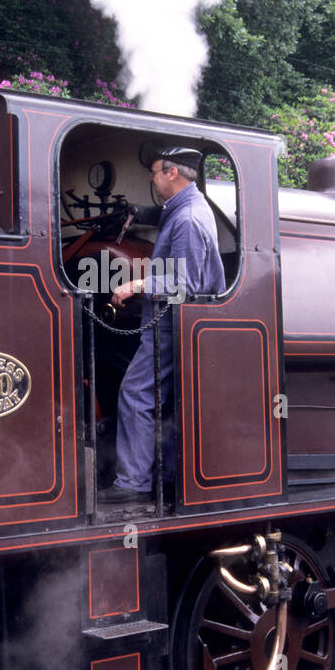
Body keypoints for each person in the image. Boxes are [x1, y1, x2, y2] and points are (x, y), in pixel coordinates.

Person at [105, 147, 224, 503]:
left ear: (173, 173)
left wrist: (135, 285)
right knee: (166, 401)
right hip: (174, 324)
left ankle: (133, 484)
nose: (152, 179)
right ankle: (167, 475)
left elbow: (183, 284)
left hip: (173, 324)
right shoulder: (187, 210)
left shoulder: (186, 218)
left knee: (135, 393)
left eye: (155, 172)